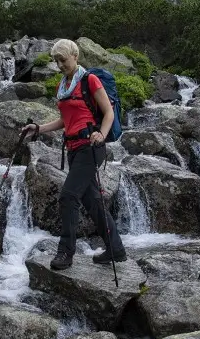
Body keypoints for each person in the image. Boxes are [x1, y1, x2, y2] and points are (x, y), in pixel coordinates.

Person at [20, 39, 127, 270]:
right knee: (93, 202)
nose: (59, 65)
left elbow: (108, 112)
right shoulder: (64, 84)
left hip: (91, 147)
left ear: (75, 56)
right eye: (56, 61)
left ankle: (65, 253)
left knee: (68, 196)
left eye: (63, 60)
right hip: (73, 149)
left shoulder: (90, 80)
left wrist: (101, 133)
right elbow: (64, 120)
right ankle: (116, 249)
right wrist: (38, 128)